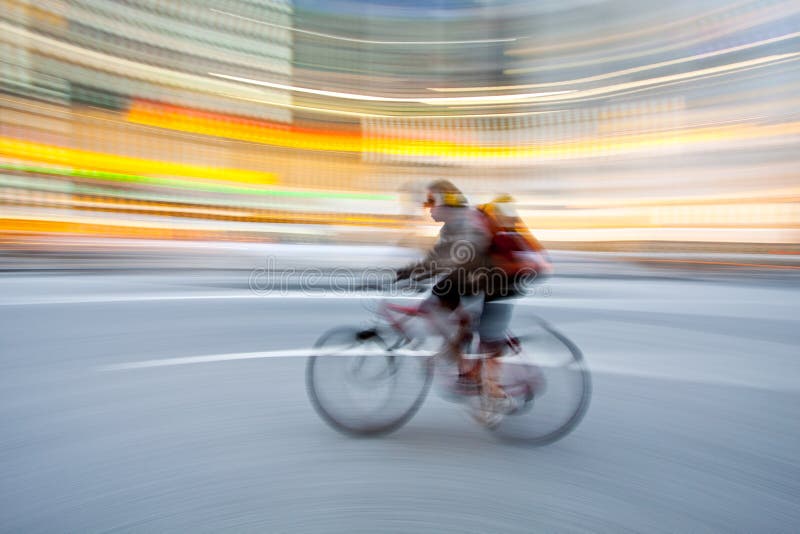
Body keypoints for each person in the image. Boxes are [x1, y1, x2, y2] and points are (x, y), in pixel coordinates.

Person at [395, 180, 525, 397]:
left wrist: (421, 272)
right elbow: (438, 257)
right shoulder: (450, 228)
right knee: (438, 307)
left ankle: (493, 392)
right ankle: (460, 358)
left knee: (480, 331)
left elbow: (458, 256)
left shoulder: (468, 222)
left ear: (446, 202)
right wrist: (409, 272)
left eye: (430, 201)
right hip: (468, 279)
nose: (427, 207)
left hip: (494, 281)